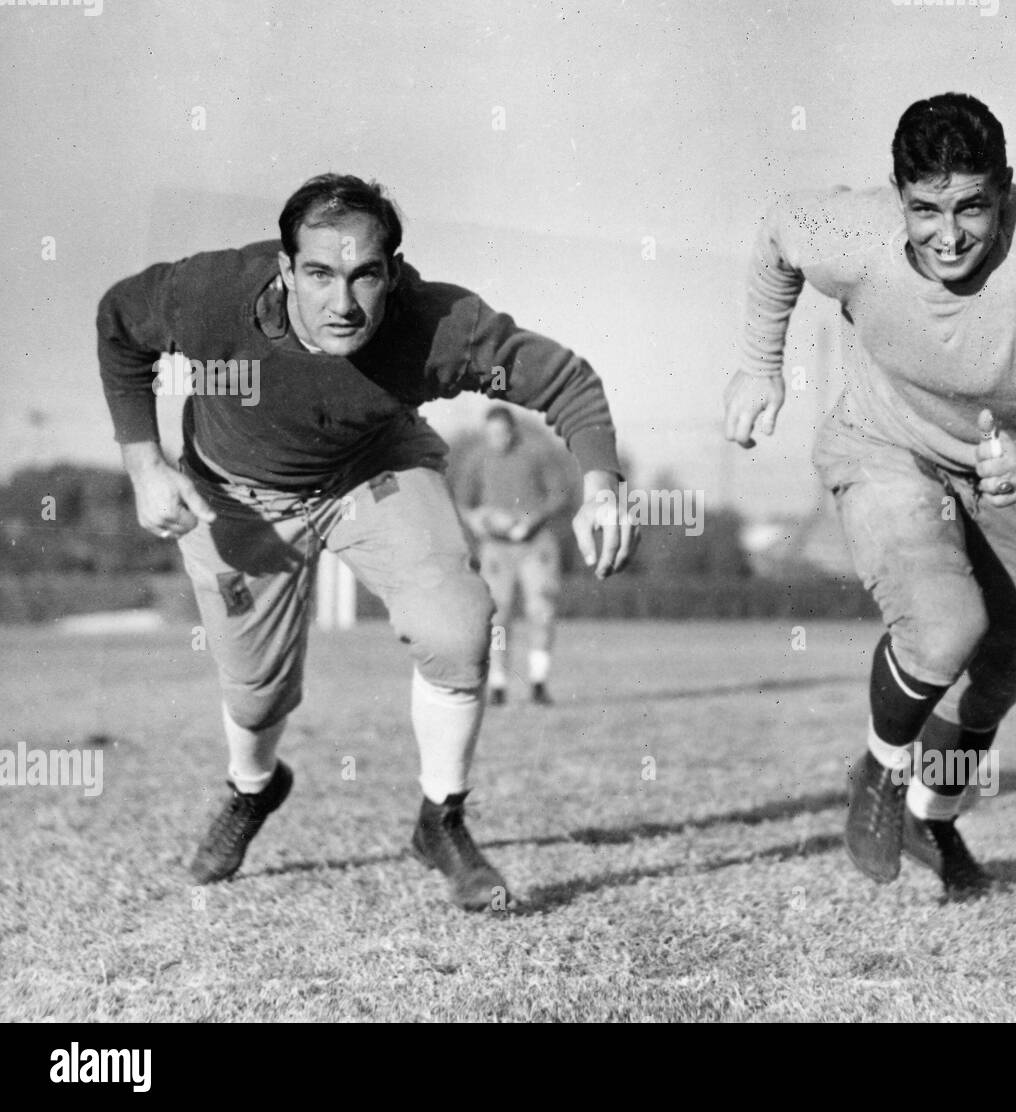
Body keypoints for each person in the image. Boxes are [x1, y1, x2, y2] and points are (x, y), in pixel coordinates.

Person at [97, 174, 636, 912]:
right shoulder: (210, 292)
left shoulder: (437, 326)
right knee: (254, 697)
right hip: (238, 493)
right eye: (318, 274)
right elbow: (120, 323)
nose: (343, 304)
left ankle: (441, 821)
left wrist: (600, 483)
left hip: (371, 470)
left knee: (458, 627)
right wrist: (143, 462)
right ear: (284, 271)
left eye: (365, 276)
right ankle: (253, 790)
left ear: (394, 271)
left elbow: (566, 381)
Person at [724, 93, 1016, 900]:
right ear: (897, 196)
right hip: (886, 444)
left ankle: (931, 815)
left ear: (1005, 190)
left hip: (1007, 466)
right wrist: (758, 363)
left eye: (972, 208)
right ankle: (878, 774)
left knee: (998, 669)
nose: (948, 236)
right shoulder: (852, 233)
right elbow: (778, 231)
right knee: (946, 627)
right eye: (925, 210)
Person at [458, 406, 572, 706]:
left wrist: (532, 519)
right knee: (498, 616)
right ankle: (497, 684)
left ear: (513, 430)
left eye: (502, 432)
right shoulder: (477, 458)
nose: (497, 439)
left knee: (541, 610)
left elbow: (560, 494)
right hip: (496, 547)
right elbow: (463, 502)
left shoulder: (536, 453)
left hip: (535, 544)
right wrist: (476, 520)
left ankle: (538, 682)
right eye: (491, 433)